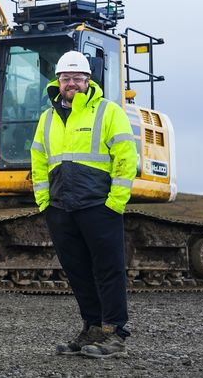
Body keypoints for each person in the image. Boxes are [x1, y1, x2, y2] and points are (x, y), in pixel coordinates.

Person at [30, 50, 137, 359]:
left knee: (108, 269)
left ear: (89, 80)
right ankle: (92, 327)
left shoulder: (108, 111)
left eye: (78, 77)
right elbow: (38, 159)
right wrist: (44, 203)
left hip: (98, 206)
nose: (72, 83)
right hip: (61, 209)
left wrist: (115, 202)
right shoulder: (47, 118)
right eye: (66, 78)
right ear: (58, 81)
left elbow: (126, 157)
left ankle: (114, 333)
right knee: (77, 271)